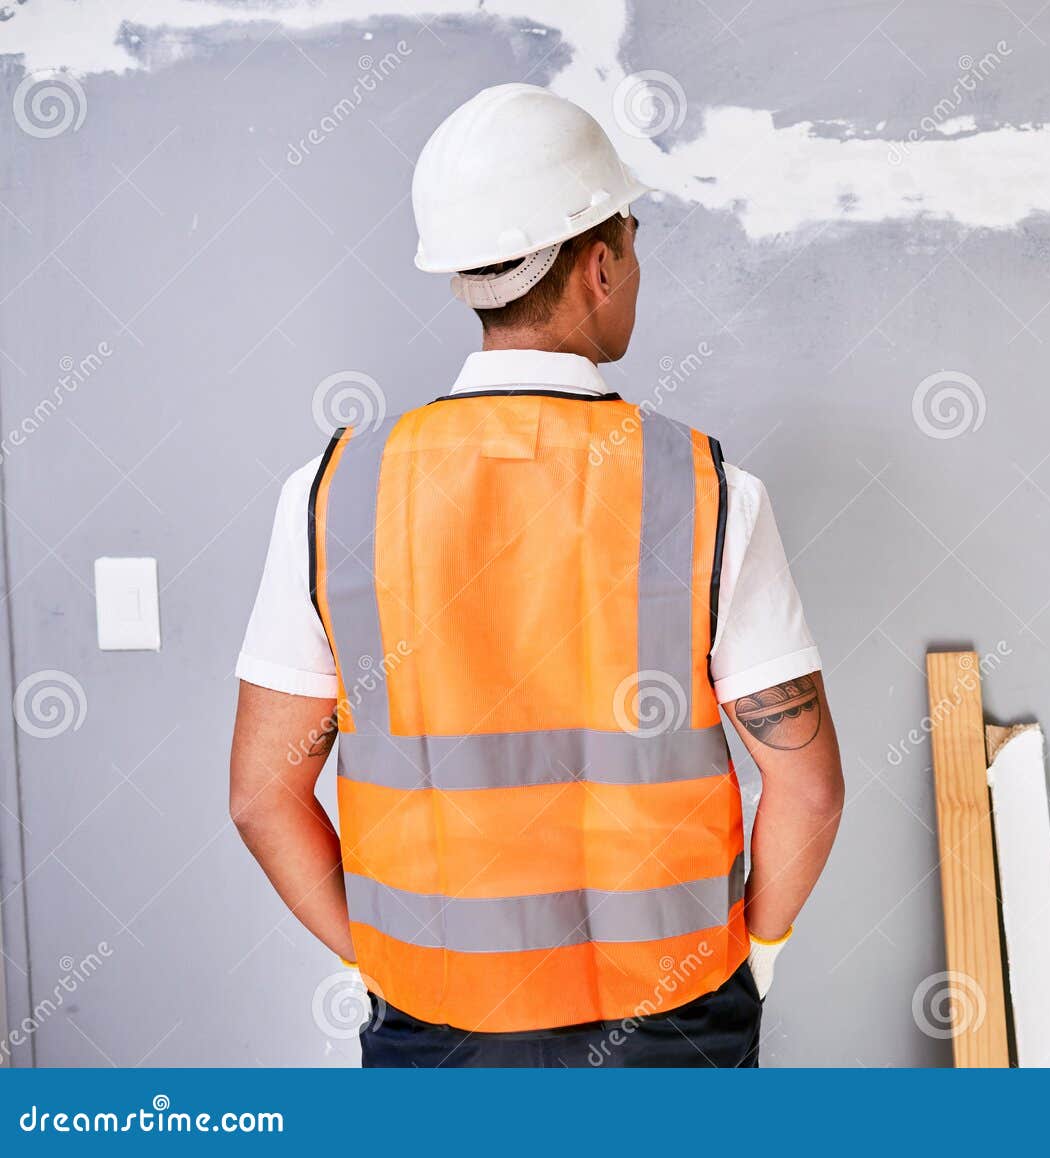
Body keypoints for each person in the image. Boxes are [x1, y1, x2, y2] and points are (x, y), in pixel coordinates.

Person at [228, 83, 844, 1067]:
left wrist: (383, 968)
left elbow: (262, 796)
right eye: (633, 244)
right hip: (674, 1015)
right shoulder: (709, 490)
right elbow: (807, 791)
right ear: (601, 266)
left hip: (439, 1023)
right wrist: (753, 961)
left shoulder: (332, 492)